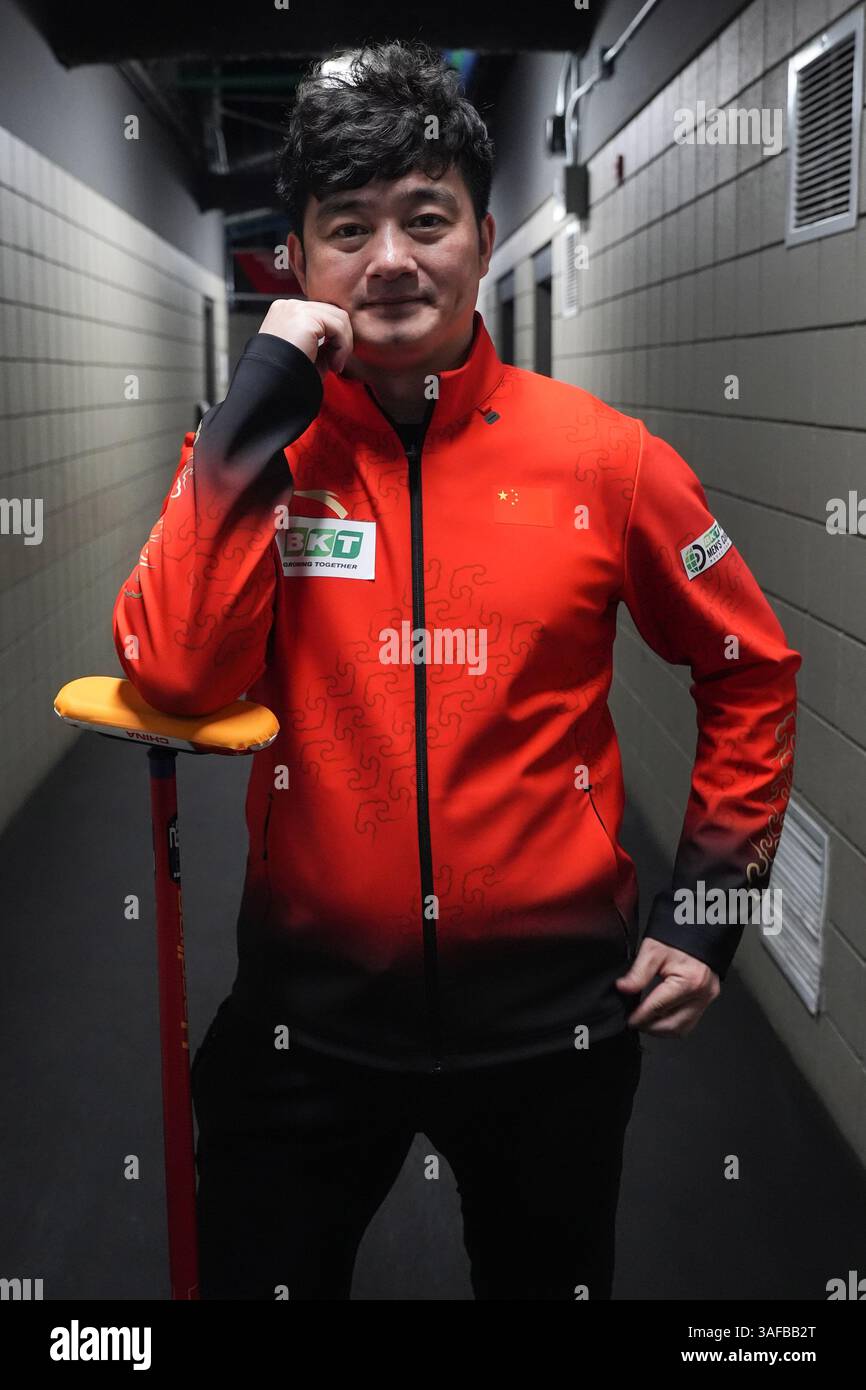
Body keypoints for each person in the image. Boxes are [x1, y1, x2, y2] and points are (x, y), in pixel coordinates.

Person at [112, 39, 801, 1300]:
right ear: (298, 263)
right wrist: (254, 405)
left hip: (551, 1030)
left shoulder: (606, 460)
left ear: (482, 239)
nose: (388, 259)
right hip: (304, 1024)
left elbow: (745, 666)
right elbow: (175, 674)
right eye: (347, 227)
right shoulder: (259, 449)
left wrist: (711, 907)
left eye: (424, 220)